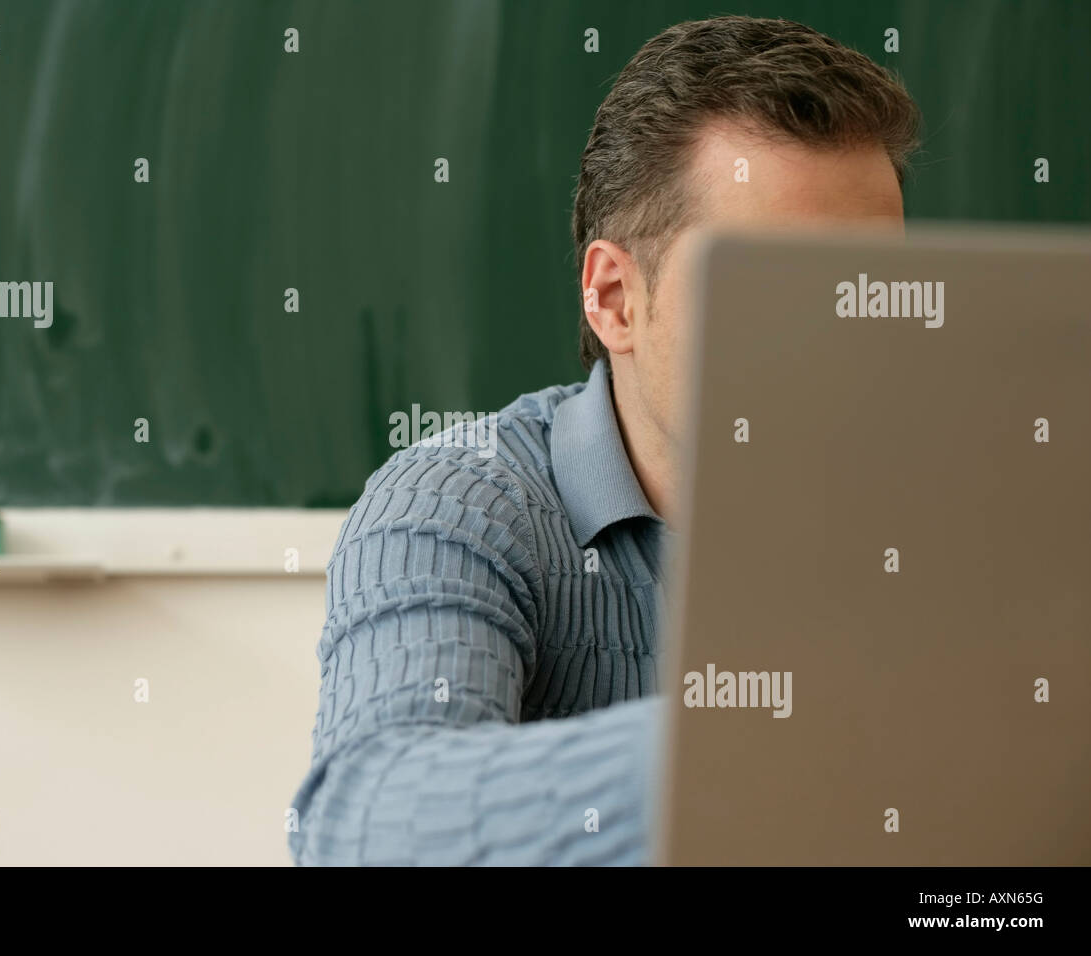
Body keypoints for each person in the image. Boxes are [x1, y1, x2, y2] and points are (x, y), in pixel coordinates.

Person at [288, 14, 920, 865]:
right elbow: (367, 826)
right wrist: (771, 741)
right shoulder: (455, 502)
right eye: (777, 288)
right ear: (616, 299)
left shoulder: (936, 512)